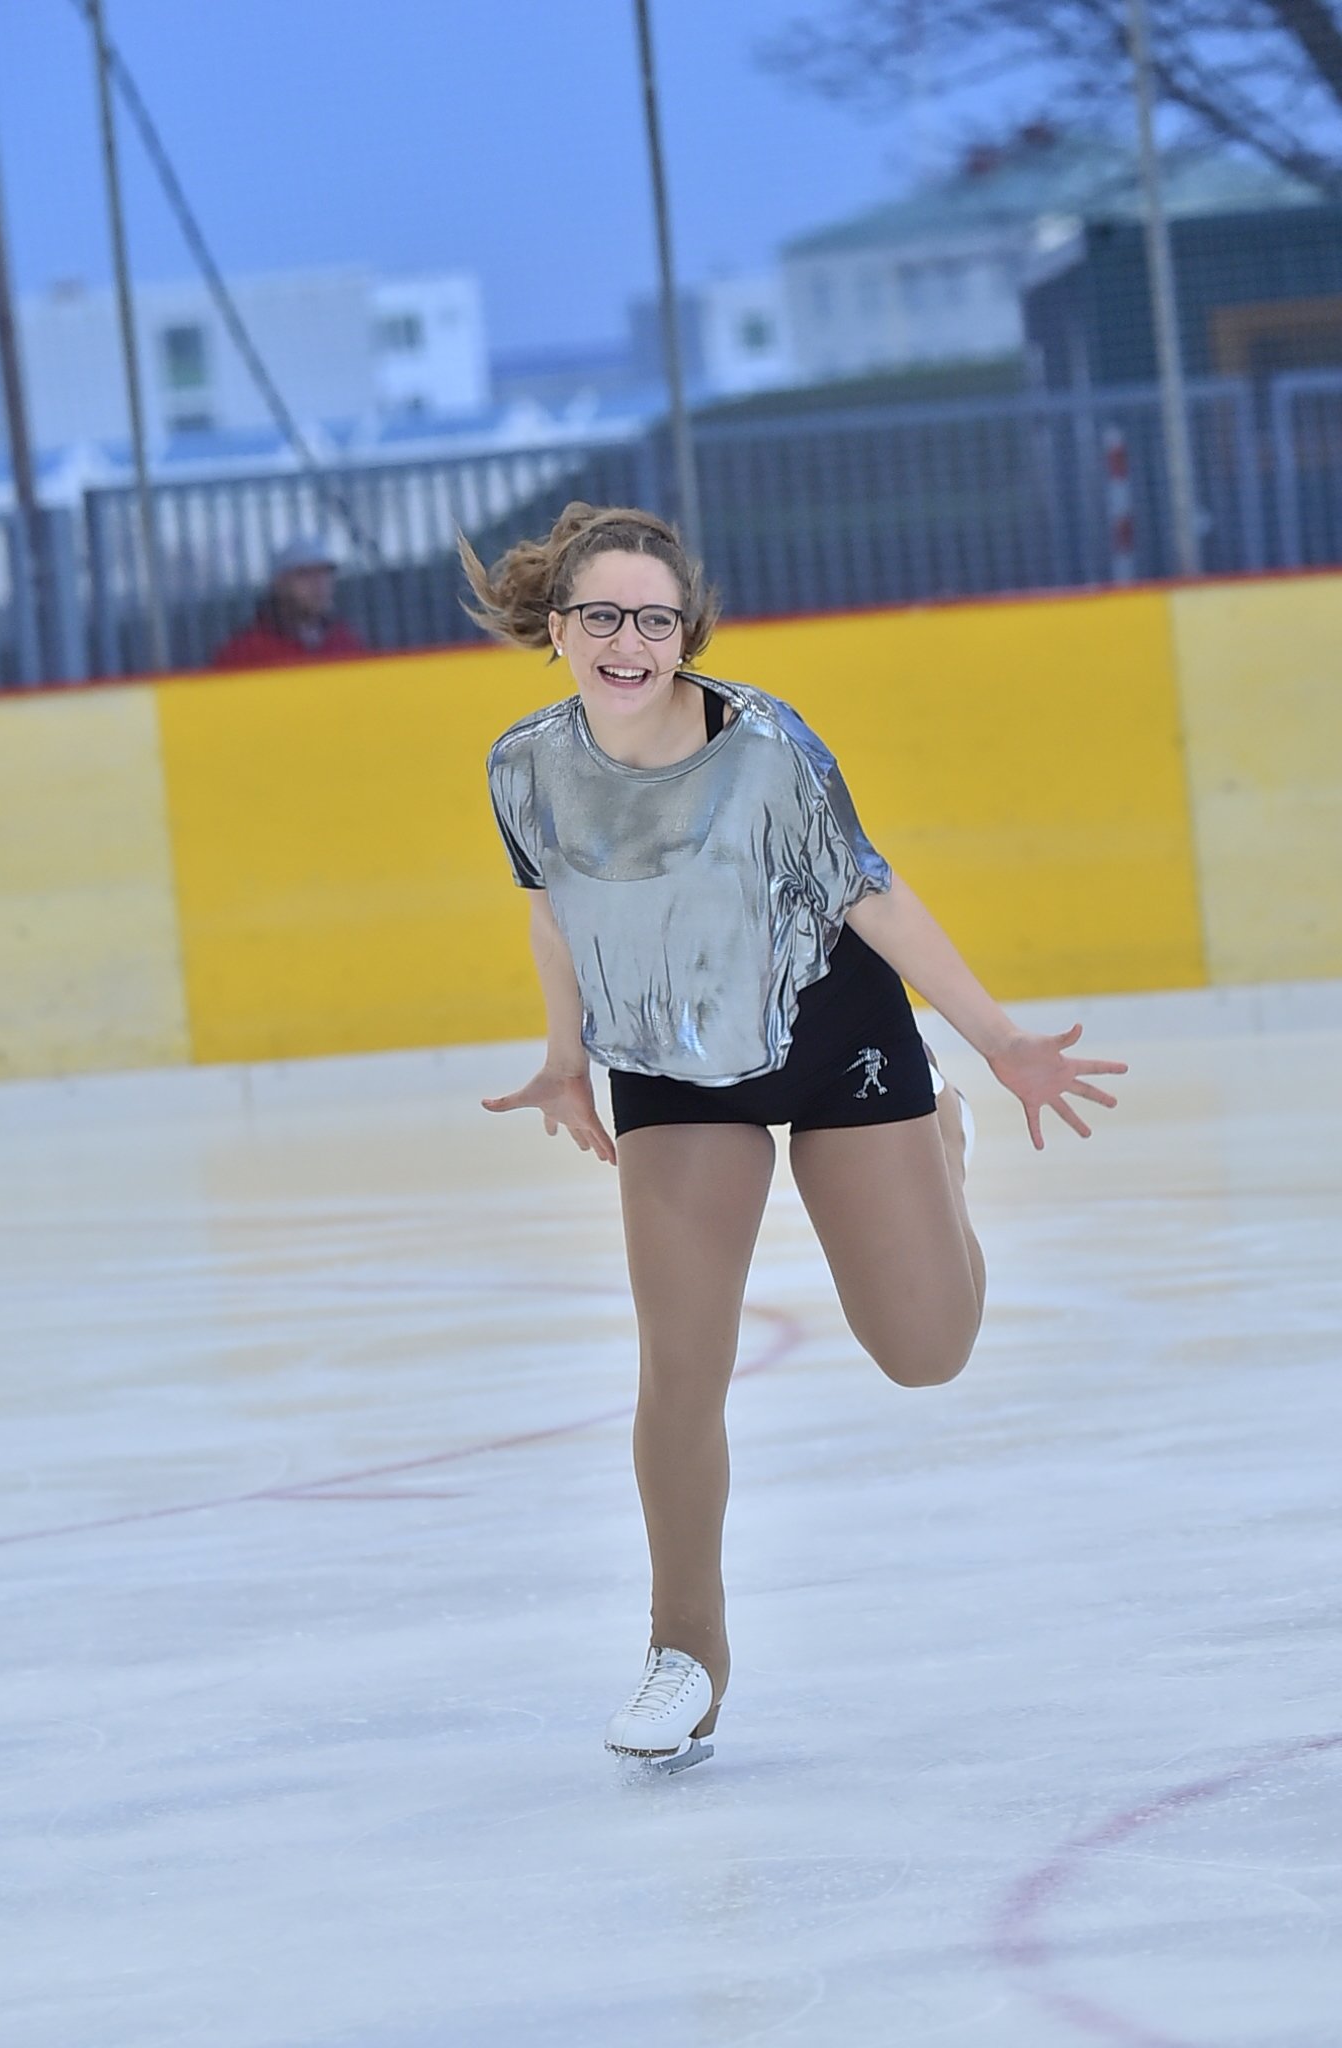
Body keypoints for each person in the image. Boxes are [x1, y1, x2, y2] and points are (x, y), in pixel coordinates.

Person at [464, 501, 1126, 1774]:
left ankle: (938, 1131)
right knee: (679, 1365)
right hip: (668, 1060)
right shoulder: (523, 766)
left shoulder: (766, 746)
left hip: (830, 1033)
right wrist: (564, 1056)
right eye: (600, 615)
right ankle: (683, 1655)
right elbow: (553, 910)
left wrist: (997, 1040)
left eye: (653, 619)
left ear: (684, 635)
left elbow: (873, 892)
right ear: (558, 628)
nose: (626, 641)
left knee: (925, 1351)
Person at [210, 535, 366, 669]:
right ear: (279, 584)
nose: (319, 584)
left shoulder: (345, 641)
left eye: (325, 574)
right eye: (304, 574)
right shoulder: (245, 652)